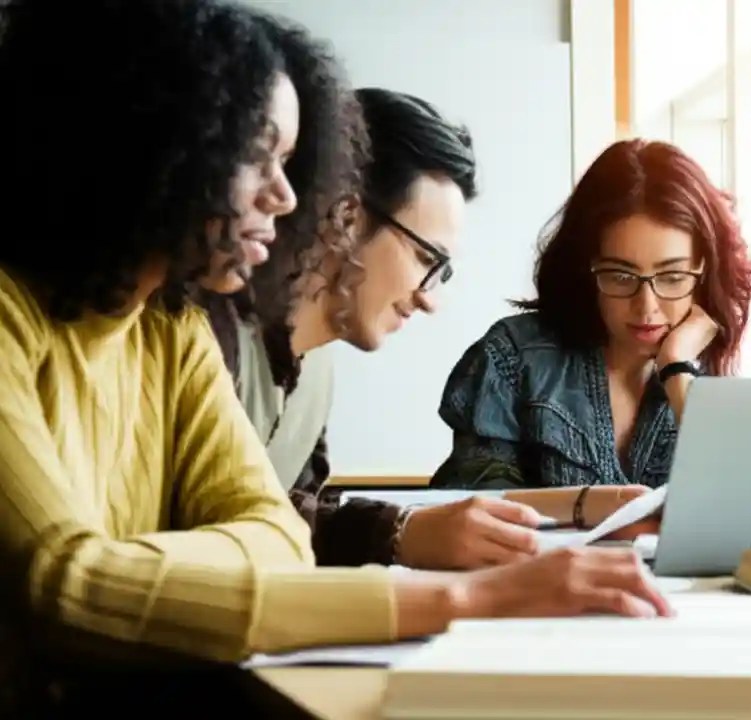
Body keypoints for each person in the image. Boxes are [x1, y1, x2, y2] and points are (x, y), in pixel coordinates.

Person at [0, 0, 668, 711]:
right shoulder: (20, 319)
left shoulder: (172, 329)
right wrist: (466, 596)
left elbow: (283, 537)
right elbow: (61, 581)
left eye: (290, 163)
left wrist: (137, 566)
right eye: (260, 155)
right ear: (163, 139)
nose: (288, 196)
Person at [207, 85, 661, 570]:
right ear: (345, 218)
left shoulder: (315, 365)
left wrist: (579, 502)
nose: (429, 298)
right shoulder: (207, 343)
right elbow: (228, 531)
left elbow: (297, 521)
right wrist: (404, 538)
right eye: (427, 258)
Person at [430, 139, 751, 495]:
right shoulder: (513, 358)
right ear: (585, 269)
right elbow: (482, 509)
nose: (647, 306)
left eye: (672, 277)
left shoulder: (712, 376)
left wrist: (677, 369)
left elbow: (739, 506)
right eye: (620, 276)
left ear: (704, 272)